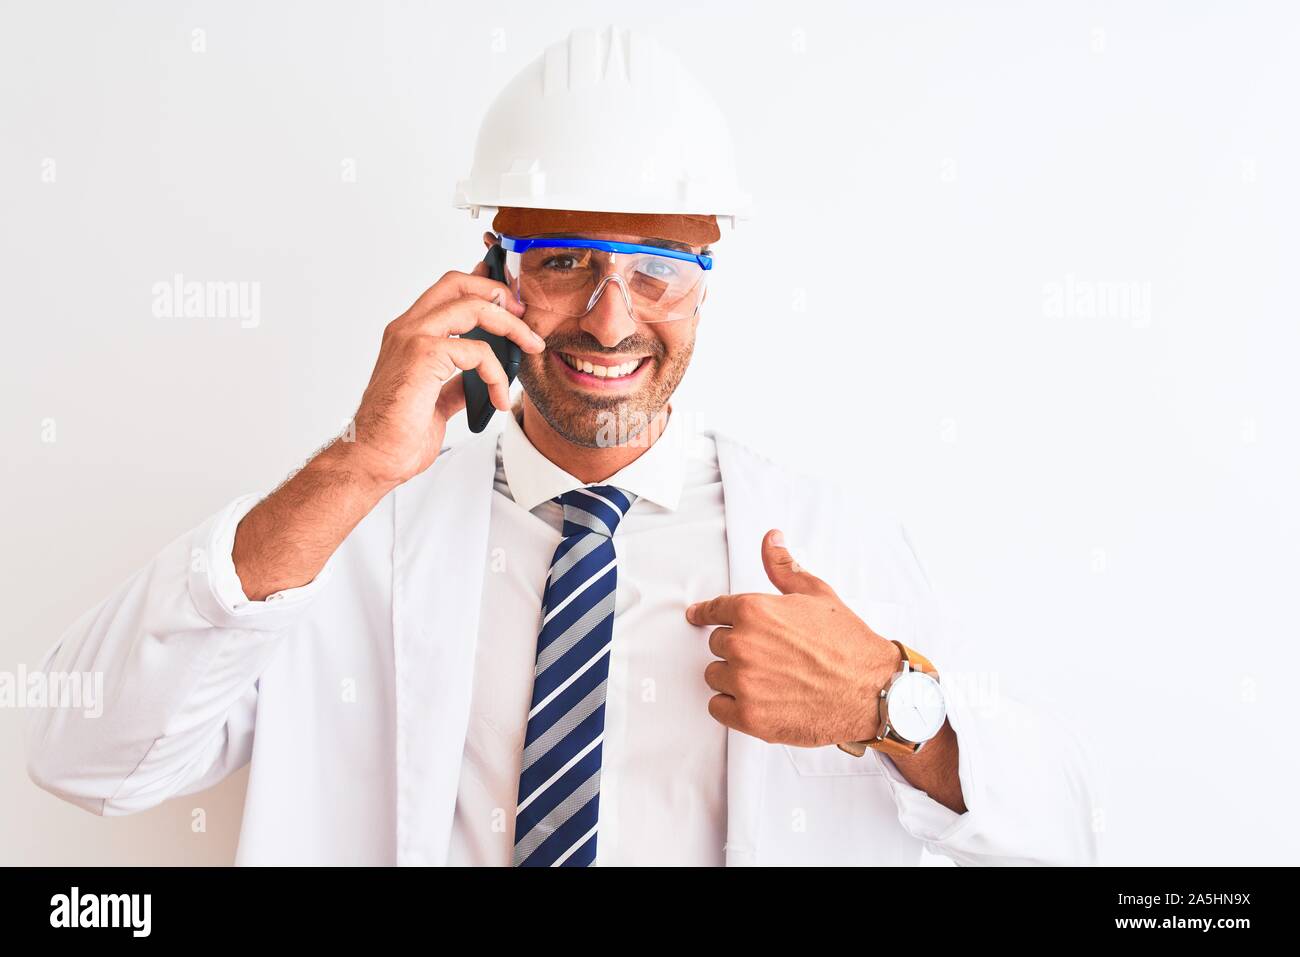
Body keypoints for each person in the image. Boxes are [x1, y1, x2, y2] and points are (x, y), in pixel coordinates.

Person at [25, 25, 1096, 866]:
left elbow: (1062, 838)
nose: (610, 317)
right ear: (489, 271)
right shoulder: (345, 542)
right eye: (562, 260)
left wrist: (888, 706)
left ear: (710, 272)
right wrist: (356, 463)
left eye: (657, 268)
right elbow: (87, 755)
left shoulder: (828, 544)